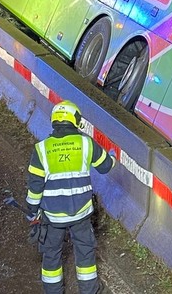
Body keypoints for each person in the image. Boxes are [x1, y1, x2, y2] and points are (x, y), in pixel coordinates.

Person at [26, 101, 114, 294]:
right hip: (81, 213)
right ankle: (90, 290)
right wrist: (113, 156)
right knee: (85, 253)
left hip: (52, 215)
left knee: (51, 255)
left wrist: (32, 211)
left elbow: (35, 187)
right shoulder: (85, 143)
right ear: (77, 122)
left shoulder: (41, 149)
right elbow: (106, 166)